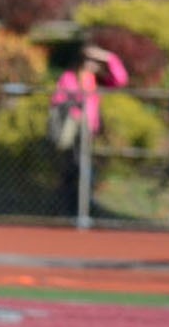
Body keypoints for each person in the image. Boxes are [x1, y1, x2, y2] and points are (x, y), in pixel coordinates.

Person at [49, 42, 127, 216]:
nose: (92, 64)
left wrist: (107, 56)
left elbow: (121, 79)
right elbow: (58, 98)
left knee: (86, 167)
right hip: (72, 129)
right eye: (89, 60)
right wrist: (74, 104)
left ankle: (84, 206)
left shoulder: (96, 79)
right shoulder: (69, 77)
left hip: (89, 129)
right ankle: (68, 207)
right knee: (72, 168)